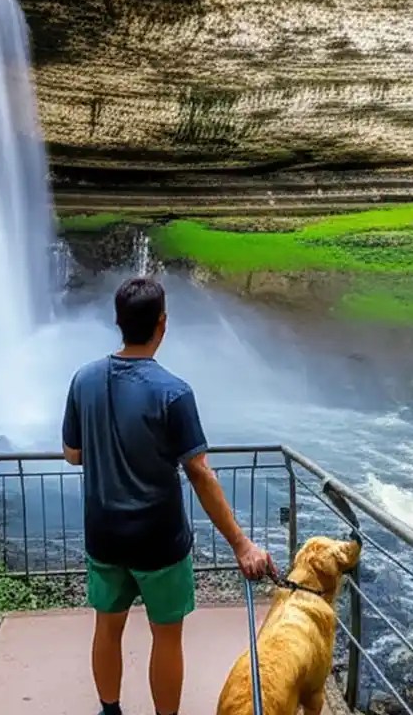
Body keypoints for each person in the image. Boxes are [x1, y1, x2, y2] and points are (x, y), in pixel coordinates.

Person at [62, 277, 276, 715]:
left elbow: (72, 454)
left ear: (118, 322)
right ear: (163, 324)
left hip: (103, 534)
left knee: (107, 628)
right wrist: (241, 544)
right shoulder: (173, 393)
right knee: (166, 636)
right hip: (160, 542)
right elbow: (199, 471)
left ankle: (110, 710)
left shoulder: (83, 380)